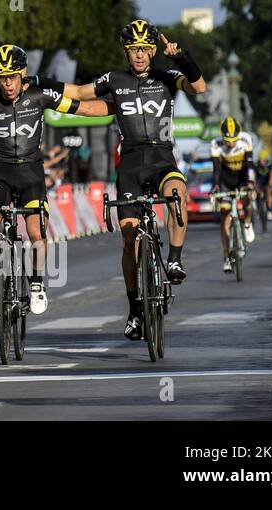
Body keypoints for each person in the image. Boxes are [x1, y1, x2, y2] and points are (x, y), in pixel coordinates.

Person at [54, 20, 207, 341]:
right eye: (134, 49)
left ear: (153, 51)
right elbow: (80, 93)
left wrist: (181, 57)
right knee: (129, 237)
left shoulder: (166, 77)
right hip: (132, 163)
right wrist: (39, 83)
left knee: (177, 193)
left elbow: (199, 87)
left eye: (145, 49)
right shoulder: (115, 79)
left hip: (163, 157)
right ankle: (135, 308)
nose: (139, 55)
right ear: (127, 51)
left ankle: (175, 260)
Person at [0, 44, 110, 318]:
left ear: (23, 73)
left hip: (31, 173)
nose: (8, 83)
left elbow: (81, 108)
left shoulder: (39, 95)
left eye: (13, 76)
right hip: (0, 174)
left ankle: (37, 284)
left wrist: (115, 107)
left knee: (36, 231)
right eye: (2, 78)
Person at [210, 116, 256, 272]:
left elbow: (249, 165)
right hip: (226, 180)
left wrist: (250, 183)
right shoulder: (216, 144)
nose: (231, 144)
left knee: (248, 201)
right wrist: (215, 186)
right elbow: (216, 169)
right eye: (228, 141)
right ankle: (226, 255)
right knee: (225, 215)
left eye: (234, 140)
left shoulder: (246, 140)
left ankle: (248, 223)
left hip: (242, 178)